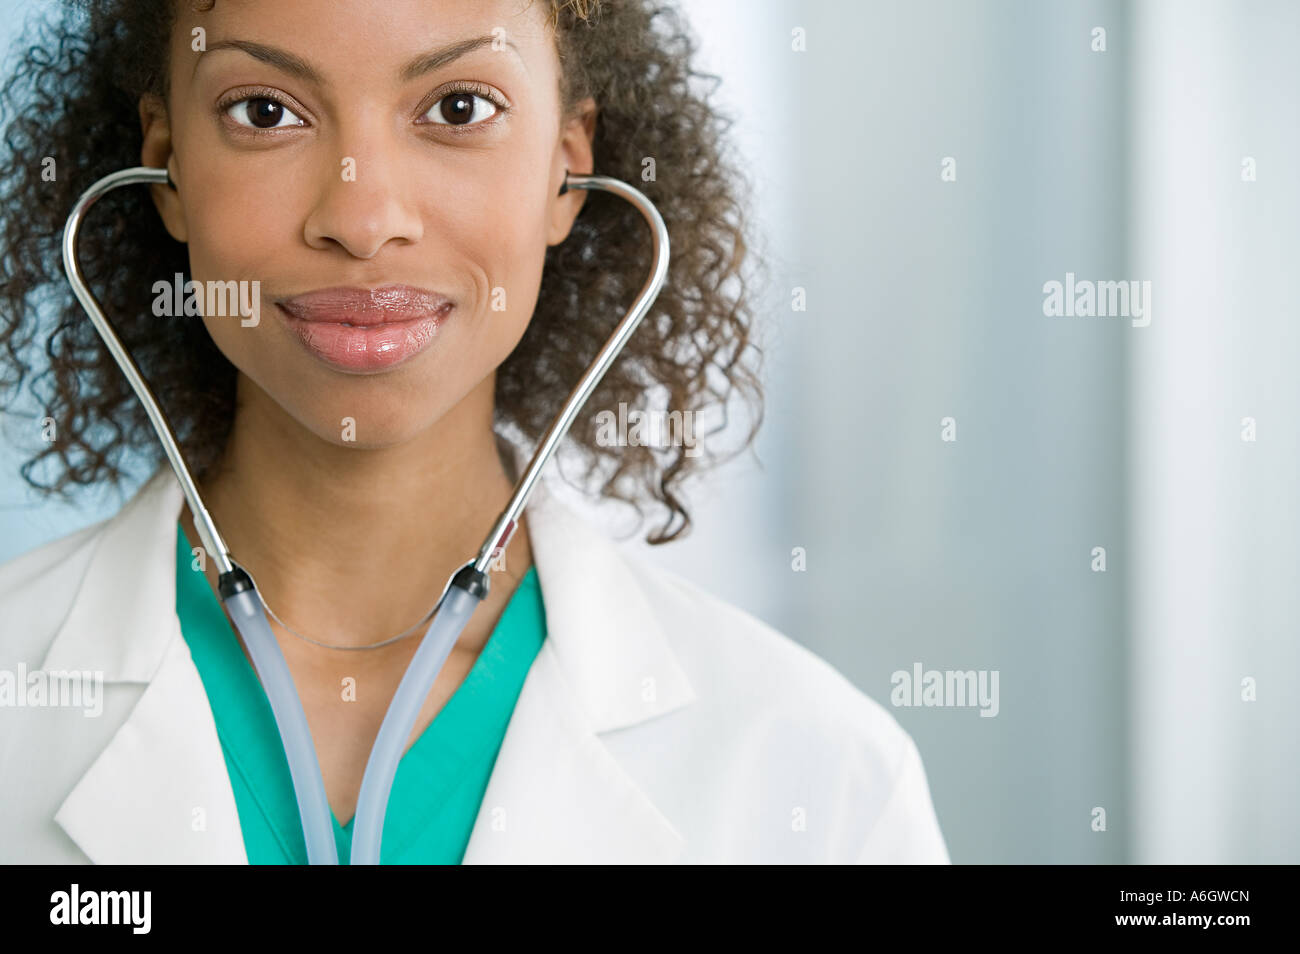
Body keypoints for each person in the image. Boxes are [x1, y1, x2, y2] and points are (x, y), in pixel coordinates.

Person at [0, 0, 949, 864]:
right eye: (265, 112)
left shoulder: (818, 775)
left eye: (457, 109)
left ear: (567, 169)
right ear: (166, 169)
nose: (364, 219)